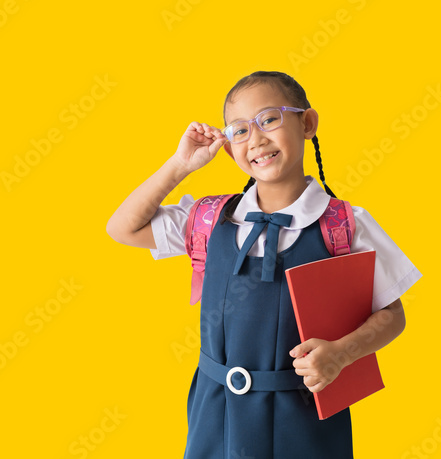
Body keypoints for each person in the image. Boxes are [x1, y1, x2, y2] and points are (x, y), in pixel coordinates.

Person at [106, 71, 422, 457]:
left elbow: (393, 315)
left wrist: (342, 353)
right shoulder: (208, 219)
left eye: (269, 119)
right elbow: (122, 227)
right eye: (239, 130)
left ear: (307, 123)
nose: (255, 139)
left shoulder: (343, 226)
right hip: (215, 415)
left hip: (304, 423)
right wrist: (180, 165)